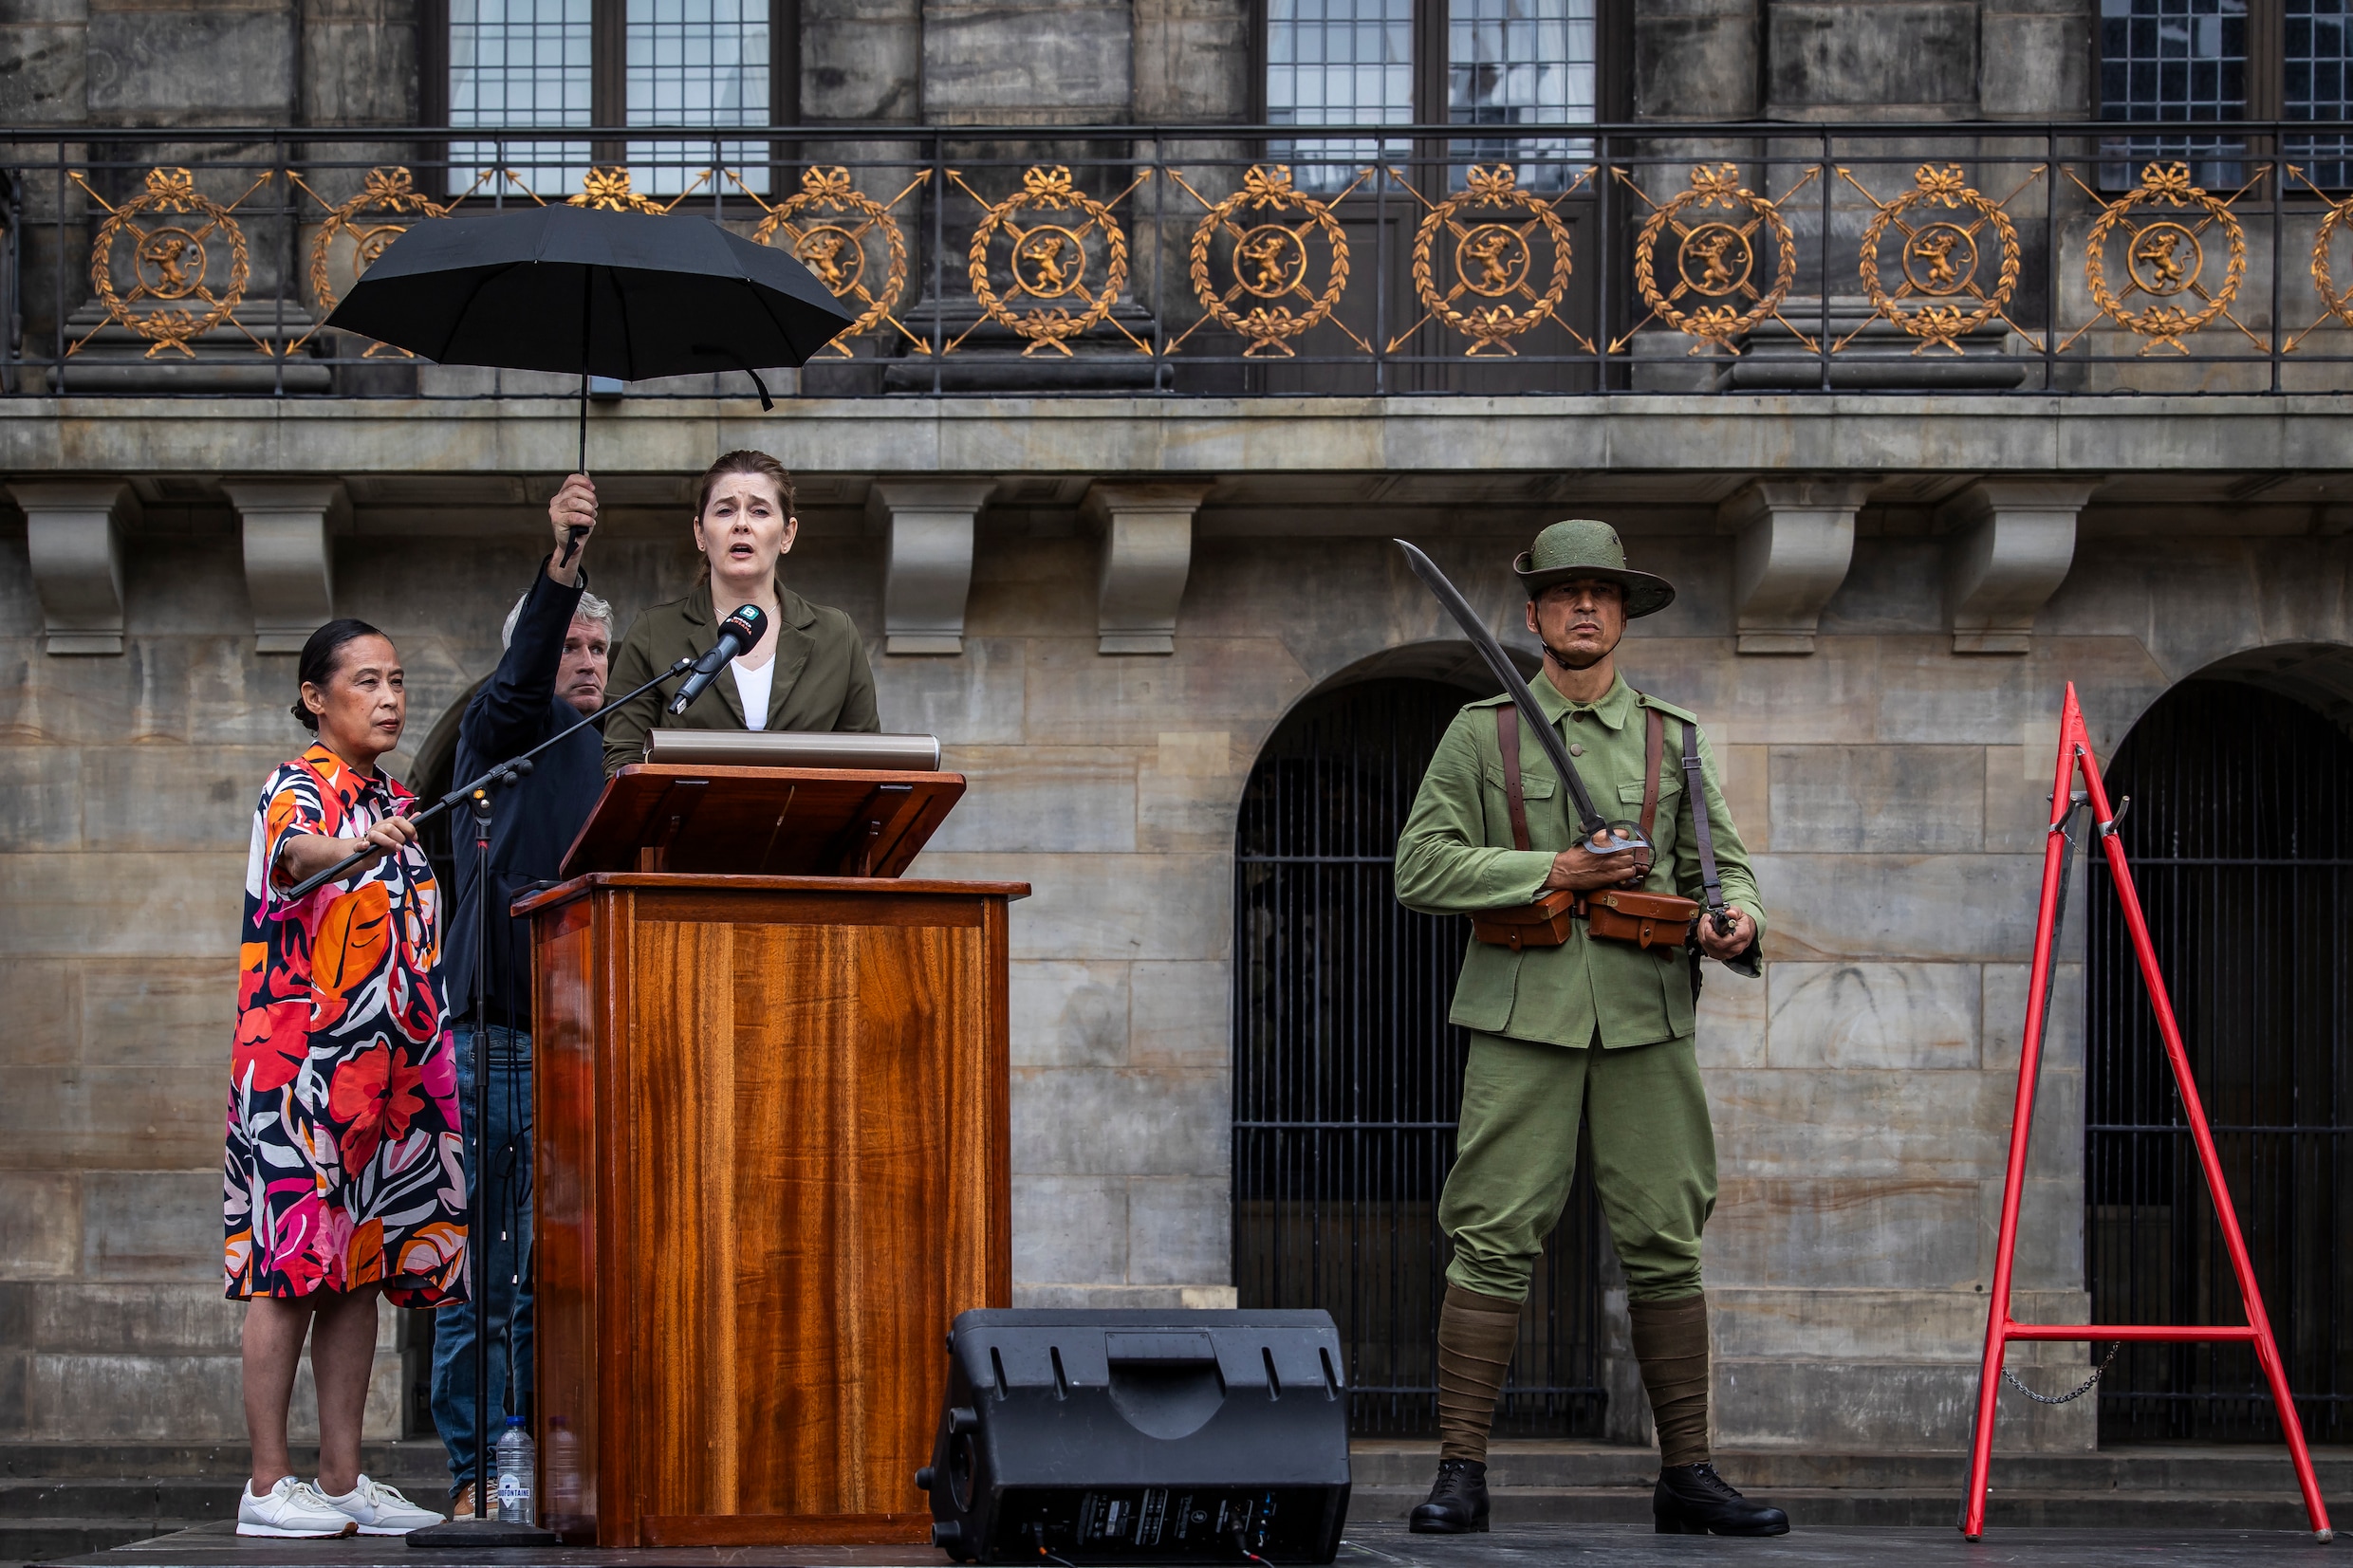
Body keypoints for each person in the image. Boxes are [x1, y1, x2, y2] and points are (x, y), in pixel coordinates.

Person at [1393, 520, 1786, 1538]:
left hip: (1647, 1017)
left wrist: (1735, 917)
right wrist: (1548, 872)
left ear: (1621, 615)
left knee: (1666, 1241)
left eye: (1600, 594)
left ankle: (1687, 1474)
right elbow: (1419, 866)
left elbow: (1721, 869)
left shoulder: (1675, 738)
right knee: (1489, 1239)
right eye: (1563, 593)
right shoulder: (1481, 733)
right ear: (1532, 616)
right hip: (1522, 1013)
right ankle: (1460, 1473)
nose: (1582, 608)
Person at [225, 619, 463, 1539]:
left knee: (356, 1270)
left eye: (398, 679)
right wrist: (361, 845)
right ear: (317, 699)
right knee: (288, 1269)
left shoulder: (393, 797)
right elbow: (298, 856)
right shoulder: (300, 787)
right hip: (301, 1069)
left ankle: (338, 1480)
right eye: (367, 681)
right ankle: (264, 1487)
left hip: (386, 1078)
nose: (391, 697)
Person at [430, 474, 613, 1515]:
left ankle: (544, 1468)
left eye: (598, 651)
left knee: (556, 1277)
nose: (587, 664)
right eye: (572, 648)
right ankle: (470, 1476)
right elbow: (513, 685)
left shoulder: (594, 746)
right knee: (481, 1281)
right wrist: (562, 565)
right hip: (495, 1040)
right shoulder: (505, 728)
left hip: (574, 1043)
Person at [601, 449, 880, 774]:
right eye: (725, 511)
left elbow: (868, 764)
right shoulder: (653, 632)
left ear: (787, 534)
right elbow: (623, 762)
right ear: (700, 533)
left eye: (760, 511)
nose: (742, 524)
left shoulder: (836, 635)